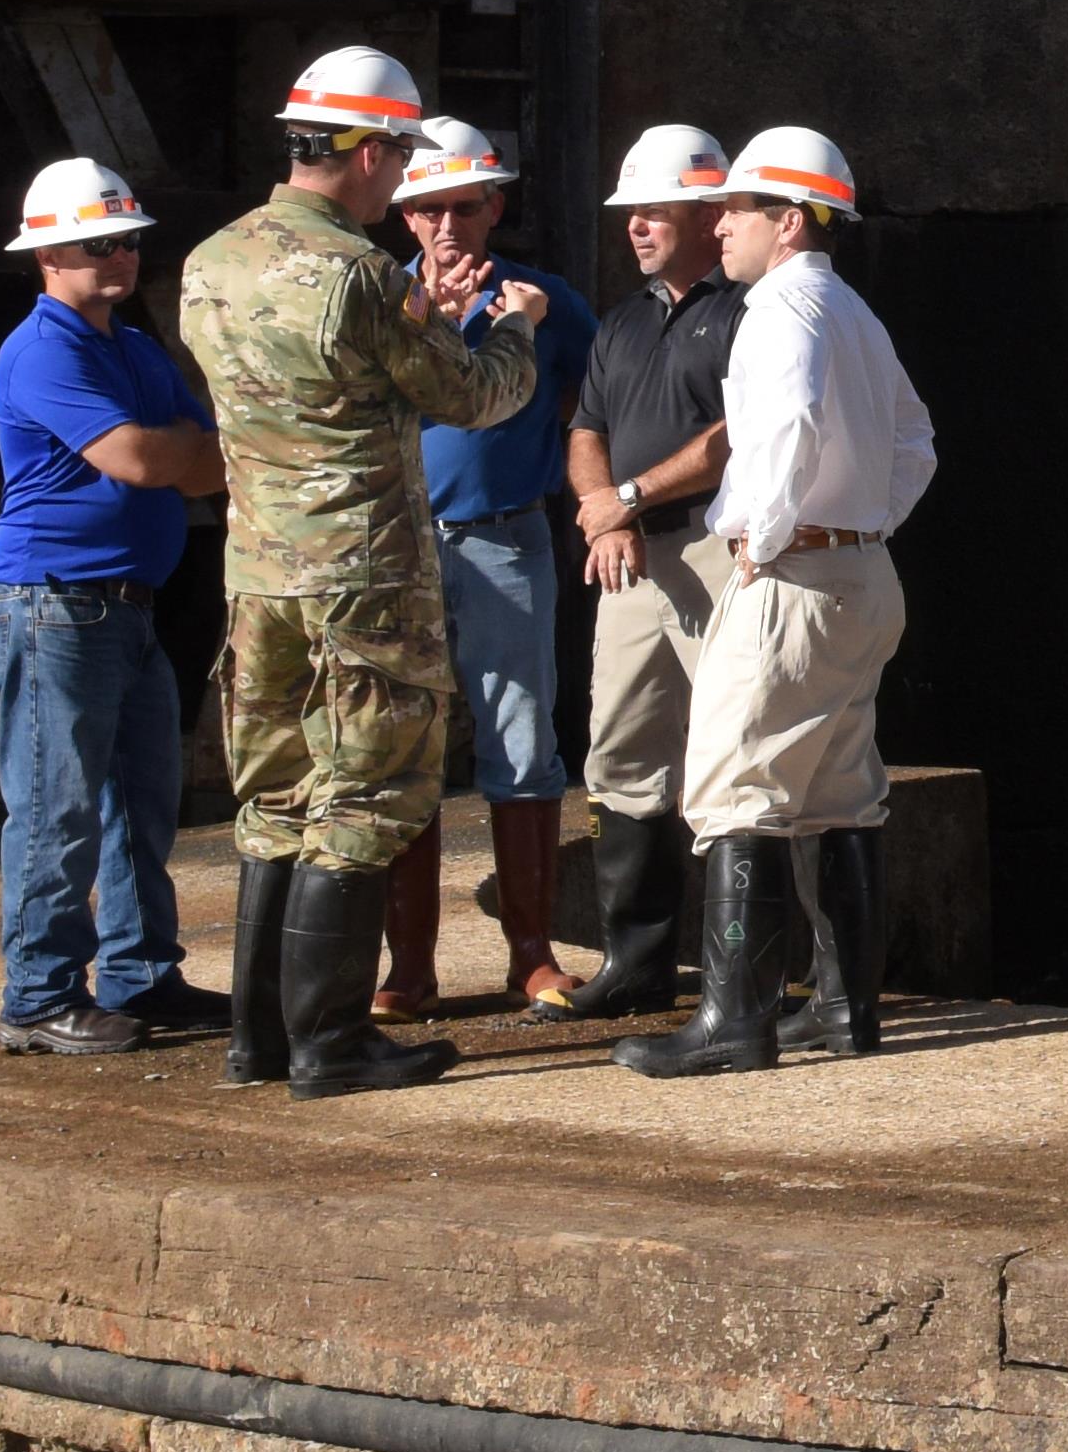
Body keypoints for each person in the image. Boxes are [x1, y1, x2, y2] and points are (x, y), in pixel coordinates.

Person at [171, 40, 543, 1102]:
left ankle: (259, 1042)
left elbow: (309, 383)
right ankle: (332, 1042)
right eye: (399, 157)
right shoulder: (357, 274)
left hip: (259, 573)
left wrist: (414, 316)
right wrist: (511, 330)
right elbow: (470, 396)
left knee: (276, 797)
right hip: (363, 573)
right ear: (371, 151)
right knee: (368, 791)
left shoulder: (211, 261)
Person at [630, 121, 936, 1077]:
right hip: (860, 572)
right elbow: (917, 438)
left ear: (791, 222)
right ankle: (846, 1014)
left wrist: (763, 539)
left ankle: (736, 1024)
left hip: (794, 574)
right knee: (842, 791)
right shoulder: (854, 312)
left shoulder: (781, 310)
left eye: (740, 208)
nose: (719, 224)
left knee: (734, 790)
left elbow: (789, 424)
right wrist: (868, 521)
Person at [0, 156, 221, 1056]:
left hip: (125, 609)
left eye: (125, 240)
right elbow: (152, 461)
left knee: (142, 805)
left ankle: (140, 977)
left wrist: (186, 449)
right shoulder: (41, 350)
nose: (116, 257)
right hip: (53, 609)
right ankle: (38, 998)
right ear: (46, 255)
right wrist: (183, 450)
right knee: (56, 810)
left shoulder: (133, 345)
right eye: (93, 244)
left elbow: (202, 444)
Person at [392, 115, 577, 1018]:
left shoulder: (541, 301)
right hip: (400, 548)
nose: (448, 226)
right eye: (429, 209)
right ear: (406, 217)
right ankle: (411, 971)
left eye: (465, 205)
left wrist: (589, 492)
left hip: (508, 538)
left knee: (522, 743)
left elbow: (594, 398)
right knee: (404, 752)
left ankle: (531, 954)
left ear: (495, 205)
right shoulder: (377, 300)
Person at [557, 121, 744, 1014]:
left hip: (715, 549)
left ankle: (750, 972)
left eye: (654, 211)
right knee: (622, 754)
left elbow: (733, 436)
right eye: (630, 213)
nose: (635, 227)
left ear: (709, 212)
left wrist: (626, 498)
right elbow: (586, 426)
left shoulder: (746, 311)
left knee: (738, 756)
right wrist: (604, 513)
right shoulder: (622, 320)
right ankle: (635, 968)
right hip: (630, 561)